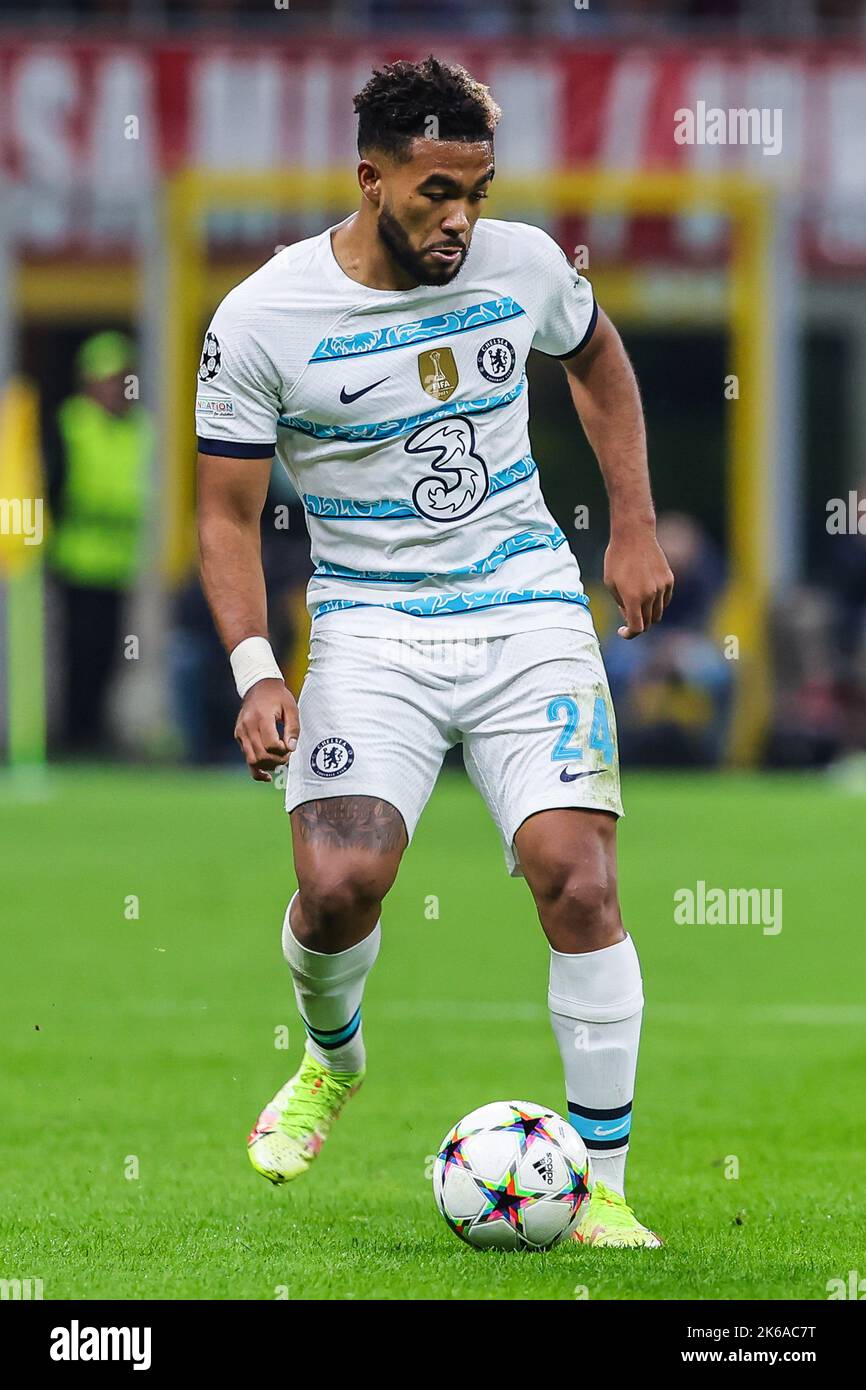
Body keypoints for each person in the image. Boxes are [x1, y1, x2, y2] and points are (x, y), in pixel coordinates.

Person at [196, 57, 673, 1247]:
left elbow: (598, 358)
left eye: (477, 188)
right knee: (338, 883)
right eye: (433, 192)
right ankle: (330, 1062)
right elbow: (222, 514)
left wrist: (631, 523)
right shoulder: (262, 319)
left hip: (524, 608)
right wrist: (257, 666)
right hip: (368, 624)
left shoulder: (520, 265)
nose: (460, 216)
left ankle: (601, 1189)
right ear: (370, 178)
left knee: (578, 876)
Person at [47, 331, 150, 752]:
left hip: (120, 563)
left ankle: (95, 731)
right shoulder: (69, 423)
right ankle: (73, 734)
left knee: (114, 654)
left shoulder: (142, 429)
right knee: (78, 654)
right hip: (76, 561)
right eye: (108, 379)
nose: (116, 388)